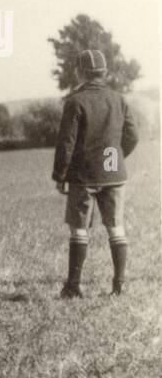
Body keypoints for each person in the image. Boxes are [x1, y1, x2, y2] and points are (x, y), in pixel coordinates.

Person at [53, 48, 138, 297]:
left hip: (84, 175)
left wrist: (60, 175)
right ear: (104, 72)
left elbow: (66, 142)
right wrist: (116, 156)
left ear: (80, 72)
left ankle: (73, 286)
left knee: (79, 229)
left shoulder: (75, 101)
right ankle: (119, 285)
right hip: (113, 172)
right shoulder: (119, 99)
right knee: (116, 227)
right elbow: (133, 136)